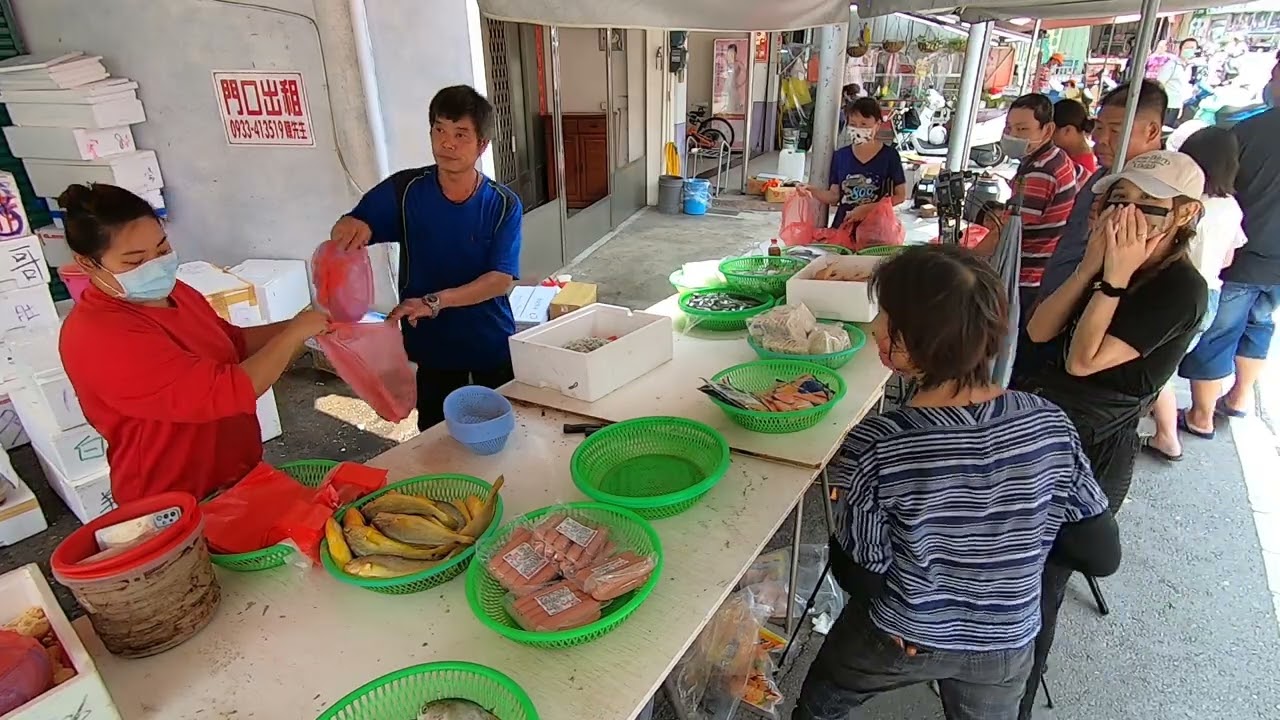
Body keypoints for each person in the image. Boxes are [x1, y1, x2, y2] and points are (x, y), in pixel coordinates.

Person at [792, 245, 1119, 720]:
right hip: (1005, 642)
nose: (877, 327)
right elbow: (1102, 554)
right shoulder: (1049, 423)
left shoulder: (878, 444)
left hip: (903, 637)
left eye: (887, 316)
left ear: (918, 340)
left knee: (823, 701)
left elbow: (862, 575)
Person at [1017, 150, 1208, 719]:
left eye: (1149, 206)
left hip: (1093, 450)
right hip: (1041, 423)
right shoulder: (1105, 258)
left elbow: (1083, 360)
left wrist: (1114, 281)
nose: (1128, 216)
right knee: (1005, 554)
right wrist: (1088, 269)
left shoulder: (1180, 289)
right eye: (1119, 200)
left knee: (1043, 580)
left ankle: (1015, 695)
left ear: (1183, 214)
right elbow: (1040, 329)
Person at [58, 184, 328, 504]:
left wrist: (306, 326)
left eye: (162, 250)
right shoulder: (98, 336)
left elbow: (232, 343)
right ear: (87, 263)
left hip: (234, 473)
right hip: (171, 496)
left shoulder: (177, 292)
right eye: (135, 261)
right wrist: (294, 335)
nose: (155, 266)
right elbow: (222, 392)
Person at [330, 85, 522, 431]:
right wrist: (348, 226)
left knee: (499, 430)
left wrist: (434, 301)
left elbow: (500, 280)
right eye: (439, 130)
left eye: (460, 134)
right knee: (435, 435)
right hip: (432, 345)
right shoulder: (405, 191)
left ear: (482, 145)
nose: (447, 144)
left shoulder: (503, 204)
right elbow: (359, 221)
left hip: (489, 340)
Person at [1178, 57, 1280, 439]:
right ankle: (1238, 398)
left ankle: (1201, 415)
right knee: (1261, 324)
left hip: (1243, 254)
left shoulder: (1250, 131)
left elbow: (1222, 179)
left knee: (1219, 334)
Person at [1145, 128, 1246, 461]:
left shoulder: (1186, 206)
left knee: (1157, 367)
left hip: (1176, 294)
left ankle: (1166, 437)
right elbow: (1228, 259)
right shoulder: (1231, 207)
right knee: (1170, 362)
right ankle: (1184, 421)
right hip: (1211, 294)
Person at [1038, 80, 1170, 301]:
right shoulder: (1102, 176)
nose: (1100, 139)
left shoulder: (1163, 194)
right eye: (1099, 128)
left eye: (1116, 130)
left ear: (1151, 131)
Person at [979, 93, 1078, 319]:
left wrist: (964, 257)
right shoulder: (1055, 157)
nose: (1013, 135)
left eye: (1023, 129)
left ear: (1047, 130)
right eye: (1009, 128)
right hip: (1041, 272)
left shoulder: (1041, 170)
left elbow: (1006, 233)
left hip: (1026, 279)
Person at [800, 96, 906, 229]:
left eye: (864, 124)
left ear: (877, 124)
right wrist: (811, 190)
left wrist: (868, 209)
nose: (858, 128)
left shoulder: (890, 156)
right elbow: (834, 196)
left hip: (876, 229)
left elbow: (900, 196)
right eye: (853, 124)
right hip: (844, 227)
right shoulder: (840, 156)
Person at [1156, 38, 1198, 128]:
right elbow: (1159, 83)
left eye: (1193, 48)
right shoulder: (1172, 64)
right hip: (1167, 105)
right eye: (1187, 48)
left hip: (1178, 105)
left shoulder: (1189, 67)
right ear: (1181, 49)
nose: (1190, 50)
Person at [1051, 98, 1098, 178]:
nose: (1048, 135)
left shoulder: (1079, 169)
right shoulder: (1068, 156)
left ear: (1067, 130)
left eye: (1052, 130)